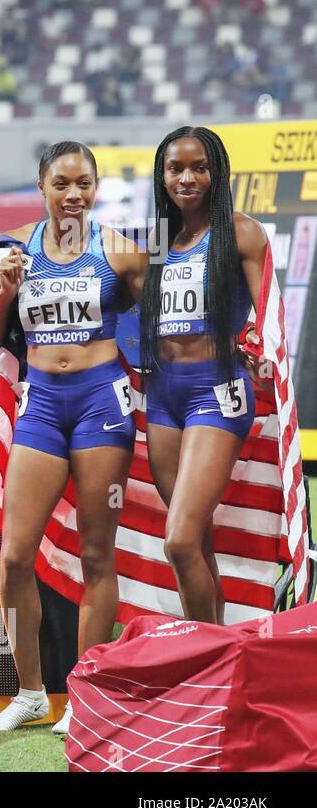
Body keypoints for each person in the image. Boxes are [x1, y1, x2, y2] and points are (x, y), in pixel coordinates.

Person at [0, 142, 146, 733]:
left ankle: (85, 699)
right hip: (41, 406)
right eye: (62, 183)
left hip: (102, 405)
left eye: (85, 184)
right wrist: (4, 289)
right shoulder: (11, 249)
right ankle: (28, 694)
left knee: (97, 554)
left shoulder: (121, 253)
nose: (74, 195)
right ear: (41, 185)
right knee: (15, 555)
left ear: (97, 188)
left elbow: (169, 329)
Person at [139, 127, 267, 625]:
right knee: (197, 540)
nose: (187, 178)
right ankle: (221, 659)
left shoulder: (241, 232)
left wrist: (259, 350)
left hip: (217, 391)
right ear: (162, 176)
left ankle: (202, 658)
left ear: (217, 172)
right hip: (164, 395)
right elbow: (131, 308)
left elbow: (270, 316)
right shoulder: (155, 242)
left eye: (198, 167)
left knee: (179, 540)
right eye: (175, 169)